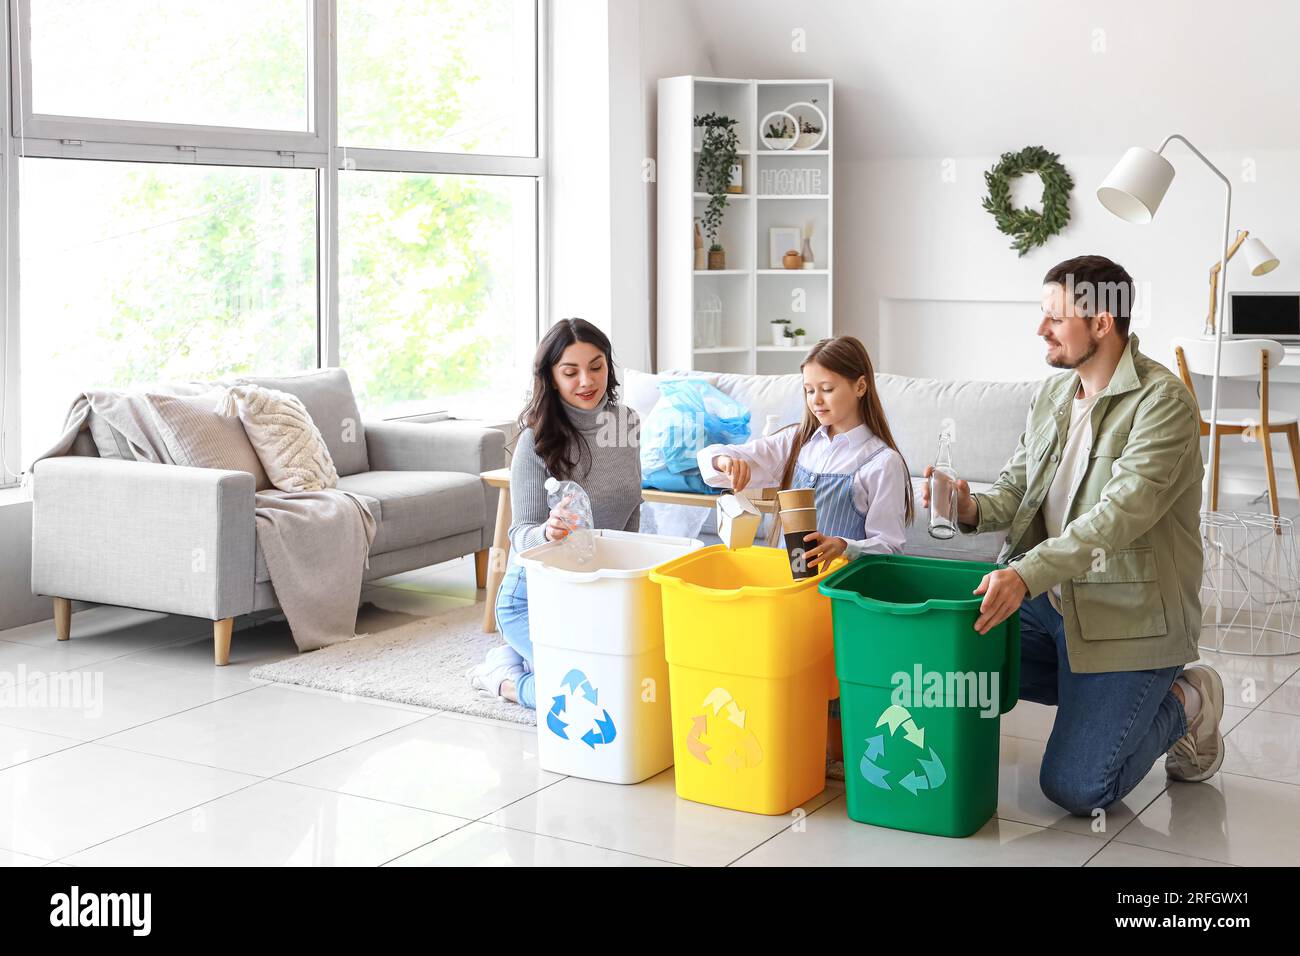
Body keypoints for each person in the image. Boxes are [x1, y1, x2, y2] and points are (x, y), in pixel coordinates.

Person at [923, 254, 1220, 816]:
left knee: (1078, 788)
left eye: (1055, 318)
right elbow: (1015, 492)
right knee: (945, 649)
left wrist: (1024, 572)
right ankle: (1100, 701)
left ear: (1102, 323)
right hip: (1054, 606)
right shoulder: (1053, 397)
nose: (1041, 330)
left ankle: (1189, 696)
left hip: (1127, 617)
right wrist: (966, 507)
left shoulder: (1165, 403)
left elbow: (1117, 516)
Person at [467, 318, 641, 708]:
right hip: (532, 596)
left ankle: (518, 655)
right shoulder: (535, 441)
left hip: (595, 589)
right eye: (570, 371)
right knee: (591, 695)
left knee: (633, 677)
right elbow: (520, 536)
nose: (586, 381)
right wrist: (548, 532)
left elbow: (632, 510)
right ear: (550, 376)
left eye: (597, 366)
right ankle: (503, 680)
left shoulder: (627, 422)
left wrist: (630, 586)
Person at [697, 334, 913, 565]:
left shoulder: (883, 462)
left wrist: (844, 546)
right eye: (809, 391)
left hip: (840, 589)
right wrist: (723, 462)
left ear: (860, 386)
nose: (816, 400)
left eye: (827, 389)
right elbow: (709, 458)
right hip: (788, 583)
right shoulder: (796, 442)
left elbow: (889, 548)